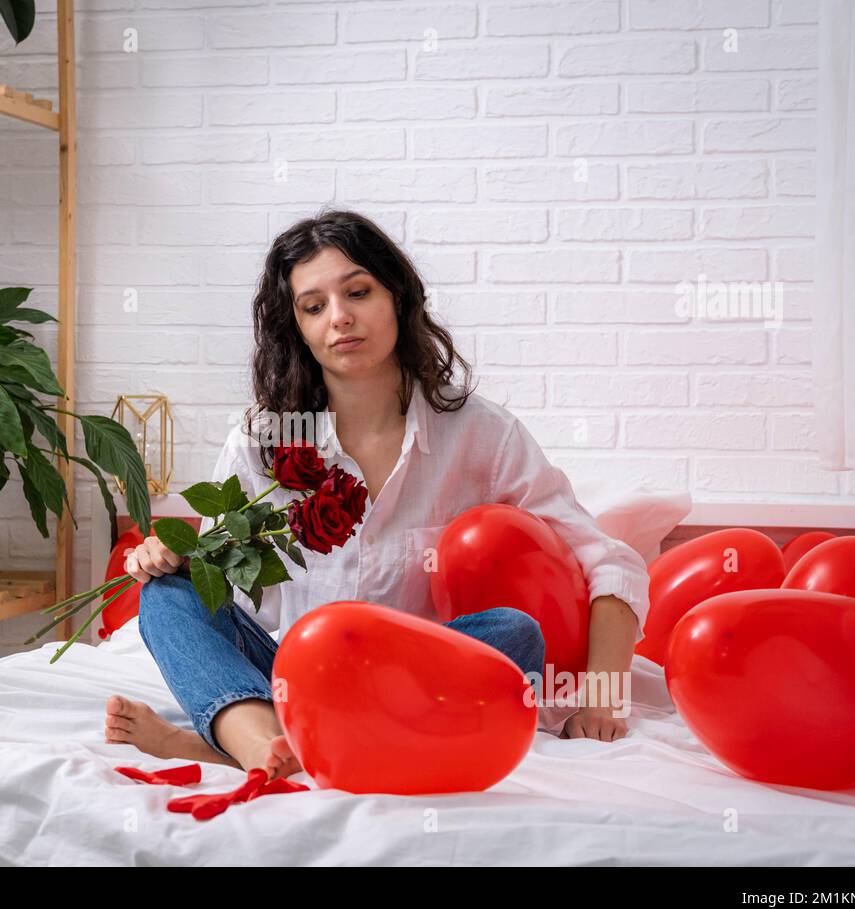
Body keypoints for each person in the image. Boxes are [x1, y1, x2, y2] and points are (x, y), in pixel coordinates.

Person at [105, 208, 650, 781]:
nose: (339, 318)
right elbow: (235, 595)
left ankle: (239, 743)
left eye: (358, 292)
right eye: (314, 307)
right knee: (167, 593)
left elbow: (605, 561)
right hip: (289, 675)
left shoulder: (479, 433)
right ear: (297, 327)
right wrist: (177, 563)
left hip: (414, 681)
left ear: (398, 297)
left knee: (514, 634)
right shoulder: (263, 440)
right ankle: (259, 742)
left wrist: (603, 697)